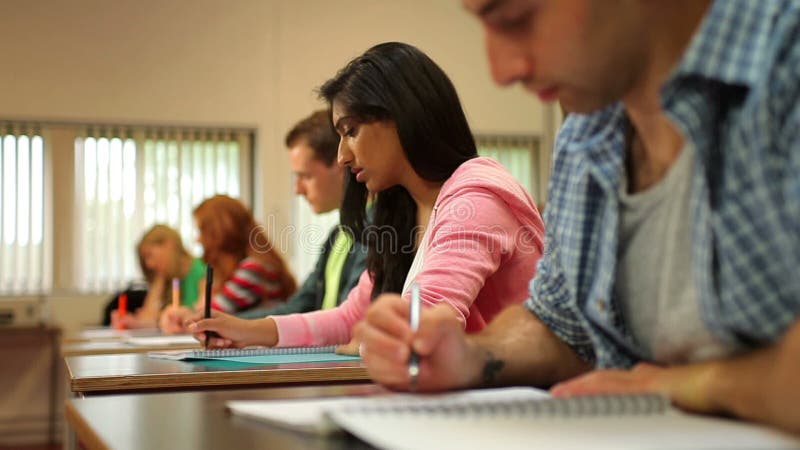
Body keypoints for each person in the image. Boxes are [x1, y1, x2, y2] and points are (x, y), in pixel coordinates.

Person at [355, 0, 800, 434]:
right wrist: (473, 355)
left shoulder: (786, 64)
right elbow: (560, 324)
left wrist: (677, 384)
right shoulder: (586, 136)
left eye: (515, 17)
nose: (501, 70)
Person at [185, 42, 545, 350]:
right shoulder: (400, 208)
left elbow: (424, 326)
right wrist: (247, 331)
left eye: (350, 131)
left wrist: (372, 339)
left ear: (402, 117)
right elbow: (352, 316)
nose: (342, 155)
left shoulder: (475, 198)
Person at [235, 109, 368, 320]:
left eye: (305, 176)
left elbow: (346, 322)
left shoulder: (376, 229)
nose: (297, 189)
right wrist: (227, 323)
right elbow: (299, 306)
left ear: (341, 164)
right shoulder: (338, 234)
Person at [159, 195, 297, 332]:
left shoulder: (253, 269)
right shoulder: (237, 269)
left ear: (220, 233)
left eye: (202, 231)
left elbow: (207, 317)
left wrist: (184, 316)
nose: (198, 239)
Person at [110, 224, 205, 329]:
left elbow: (202, 317)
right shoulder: (165, 277)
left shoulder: (202, 270)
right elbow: (147, 318)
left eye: (150, 255)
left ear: (169, 244)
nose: (149, 264)